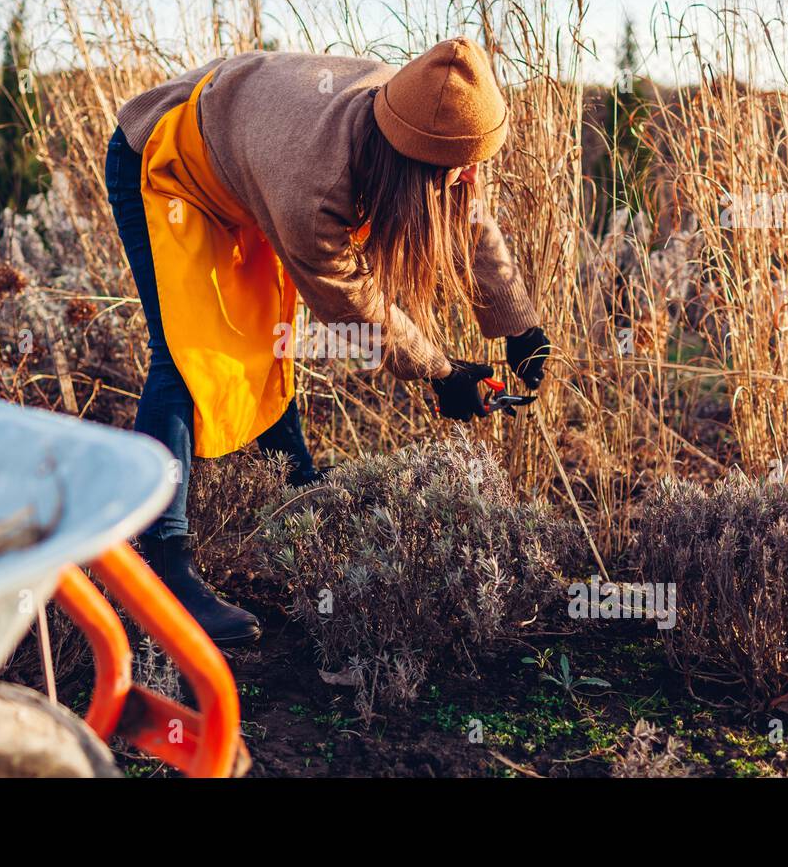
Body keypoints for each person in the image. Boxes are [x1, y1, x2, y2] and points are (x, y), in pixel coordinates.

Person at [105, 37, 549, 646]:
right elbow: (357, 310)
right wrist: (444, 373)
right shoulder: (315, 188)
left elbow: (467, 214)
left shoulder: (422, 112)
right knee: (190, 352)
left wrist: (516, 323)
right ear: (415, 162)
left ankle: (295, 490)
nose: (474, 177)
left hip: (245, 158)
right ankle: (161, 565)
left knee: (267, 333)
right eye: (461, 167)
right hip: (164, 162)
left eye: (477, 162)